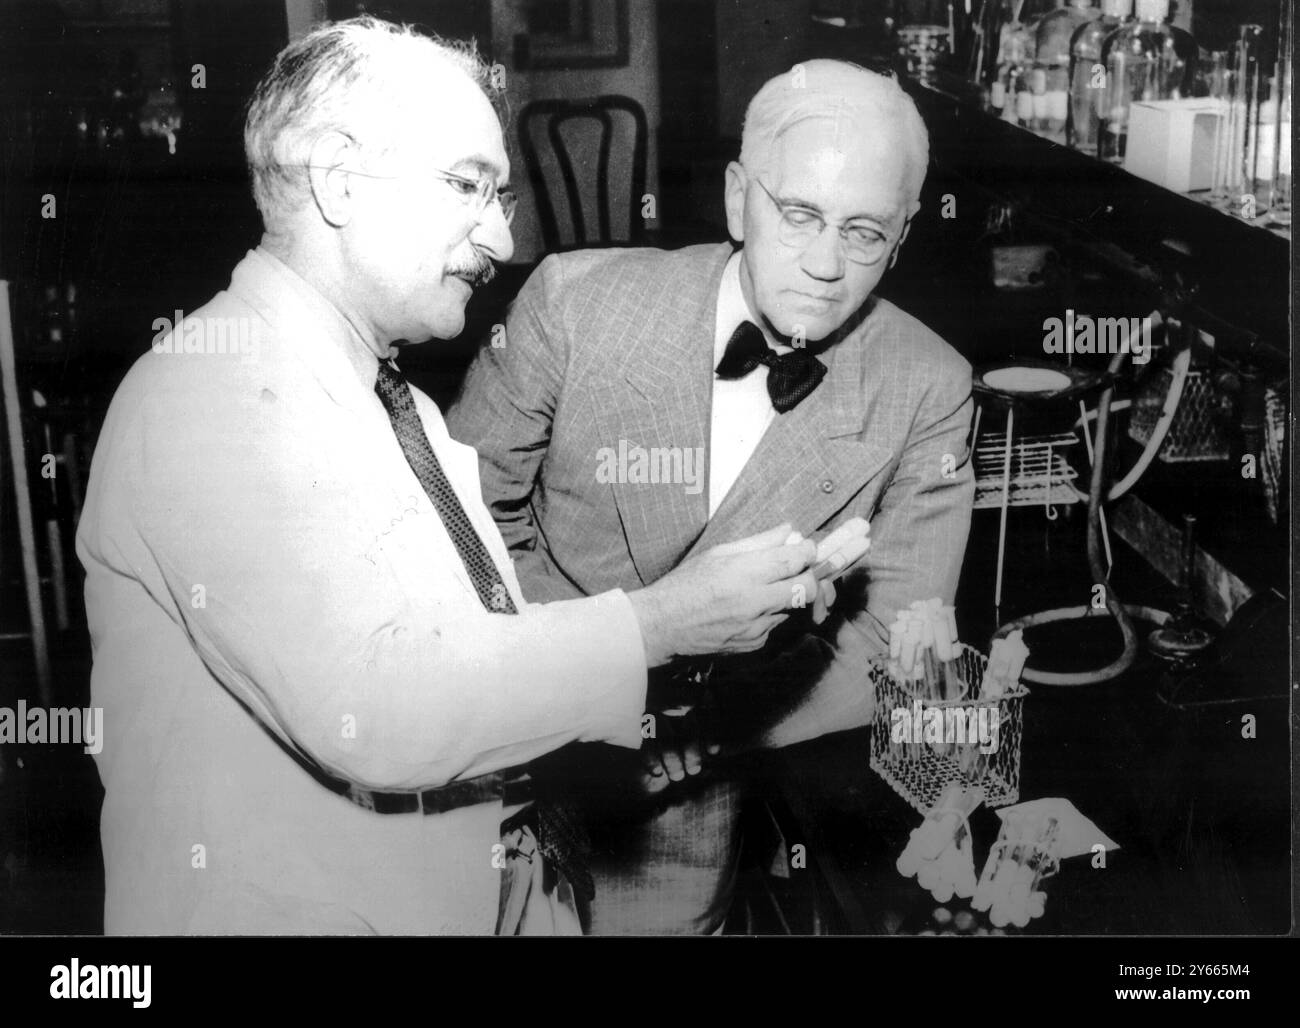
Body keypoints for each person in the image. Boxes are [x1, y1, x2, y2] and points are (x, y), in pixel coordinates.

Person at [75, 17, 822, 935]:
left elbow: (468, 656)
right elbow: (375, 705)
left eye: (500, 195)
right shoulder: (206, 393)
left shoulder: (396, 402)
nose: (503, 243)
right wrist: (659, 623)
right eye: (468, 185)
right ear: (339, 177)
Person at [448, 59, 976, 934]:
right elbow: (462, 526)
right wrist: (604, 685)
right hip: (496, 738)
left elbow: (894, 640)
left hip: (688, 798)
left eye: (865, 233)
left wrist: (708, 737)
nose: (824, 264)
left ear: (905, 236)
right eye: (799, 213)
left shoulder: (929, 384)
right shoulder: (573, 304)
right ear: (738, 199)